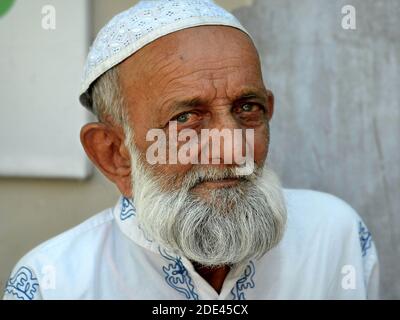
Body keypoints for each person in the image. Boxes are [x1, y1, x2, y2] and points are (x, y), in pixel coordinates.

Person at [4, 0, 378, 300]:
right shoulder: (53, 284)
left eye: (248, 108)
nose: (231, 147)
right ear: (115, 154)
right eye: (185, 118)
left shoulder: (334, 237)